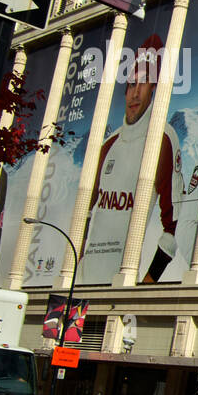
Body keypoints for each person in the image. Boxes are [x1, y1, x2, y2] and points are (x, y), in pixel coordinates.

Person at [80, 34, 182, 285]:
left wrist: (146, 283)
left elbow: (175, 225)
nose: (136, 93)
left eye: (144, 83)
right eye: (132, 83)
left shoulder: (162, 139)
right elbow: (85, 212)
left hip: (122, 288)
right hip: (80, 285)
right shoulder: (108, 144)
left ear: (154, 88)